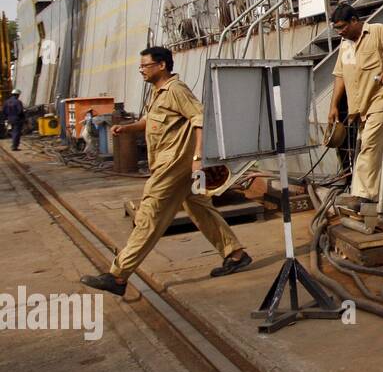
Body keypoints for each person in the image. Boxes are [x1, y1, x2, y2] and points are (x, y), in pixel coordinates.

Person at [81, 47, 254, 296]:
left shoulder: (176, 90)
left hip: (174, 166)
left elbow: (201, 118)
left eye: (145, 65)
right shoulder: (157, 93)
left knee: (150, 215)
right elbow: (151, 121)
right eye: (140, 66)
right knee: (199, 207)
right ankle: (235, 254)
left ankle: (118, 276)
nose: (141, 69)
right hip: (171, 165)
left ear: (161, 65)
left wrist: (198, 158)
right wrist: (128, 129)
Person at [326, 4, 383, 207]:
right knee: (377, 148)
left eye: (342, 27)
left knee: (369, 144)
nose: (340, 32)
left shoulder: (378, 31)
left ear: (354, 21)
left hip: (382, 100)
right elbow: (340, 75)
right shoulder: (345, 45)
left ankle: (361, 194)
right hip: (361, 106)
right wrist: (334, 106)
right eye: (336, 29)